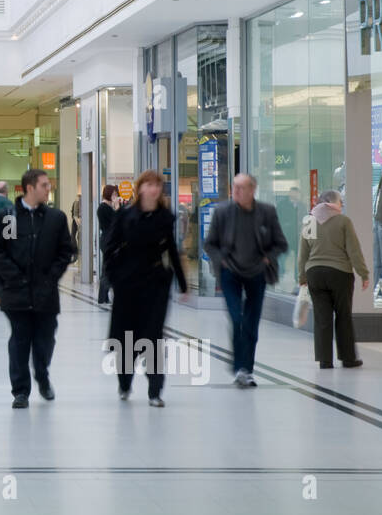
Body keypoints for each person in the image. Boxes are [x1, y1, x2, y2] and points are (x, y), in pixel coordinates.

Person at [0, 169, 76, 408]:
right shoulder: (9, 218)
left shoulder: (55, 218)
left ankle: (42, 375)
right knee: (20, 341)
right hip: (16, 292)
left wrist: (51, 276)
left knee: (45, 341)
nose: (48, 189)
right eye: (44, 185)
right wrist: (13, 276)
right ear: (29, 188)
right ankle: (21, 391)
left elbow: (65, 251)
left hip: (46, 293)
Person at [102, 170, 187, 406]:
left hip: (156, 285)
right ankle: (124, 383)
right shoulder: (126, 216)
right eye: (149, 184)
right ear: (140, 188)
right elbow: (109, 247)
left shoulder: (164, 217)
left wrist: (182, 283)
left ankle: (155, 391)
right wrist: (113, 276)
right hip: (128, 285)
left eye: (157, 185)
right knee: (128, 338)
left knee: (153, 338)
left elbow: (171, 249)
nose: (154, 189)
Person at [203, 173, 288, 388]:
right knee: (237, 319)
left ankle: (246, 369)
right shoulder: (223, 213)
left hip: (257, 272)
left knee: (251, 323)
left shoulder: (267, 212)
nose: (237, 191)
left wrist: (268, 258)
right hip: (230, 272)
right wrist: (220, 260)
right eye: (235, 187)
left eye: (242, 187)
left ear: (253, 189)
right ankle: (239, 366)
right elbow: (210, 243)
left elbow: (281, 243)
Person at [297, 189, 368, 369]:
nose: (341, 205)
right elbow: (354, 250)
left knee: (322, 318)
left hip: (315, 273)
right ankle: (348, 359)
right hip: (340, 274)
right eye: (340, 202)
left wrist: (302, 277)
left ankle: (325, 360)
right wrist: (363, 273)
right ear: (334, 203)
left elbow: (302, 253)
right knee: (343, 315)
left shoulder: (310, 221)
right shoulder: (343, 221)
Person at [97, 184, 120, 304]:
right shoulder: (103, 208)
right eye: (114, 194)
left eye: (116, 194)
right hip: (107, 240)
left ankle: (104, 296)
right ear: (108, 194)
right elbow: (115, 223)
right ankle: (103, 296)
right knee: (108, 268)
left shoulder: (108, 207)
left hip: (110, 240)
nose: (115, 197)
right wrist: (117, 209)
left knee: (108, 267)